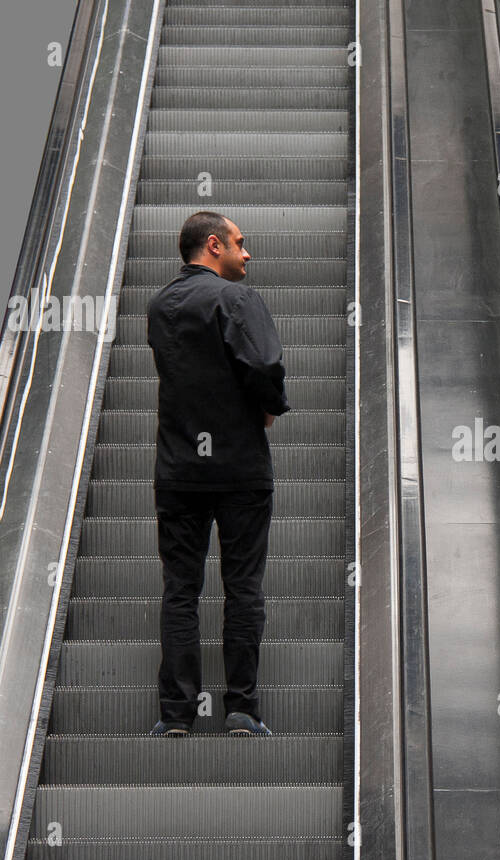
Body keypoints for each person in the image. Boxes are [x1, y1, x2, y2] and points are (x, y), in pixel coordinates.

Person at [145, 211, 290, 736]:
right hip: (240, 469)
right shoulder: (237, 300)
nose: (246, 254)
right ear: (213, 245)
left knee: (180, 590)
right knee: (242, 588)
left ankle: (176, 714)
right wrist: (270, 406)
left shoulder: (160, 306)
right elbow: (265, 365)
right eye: (240, 243)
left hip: (179, 468)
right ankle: (242, 710)